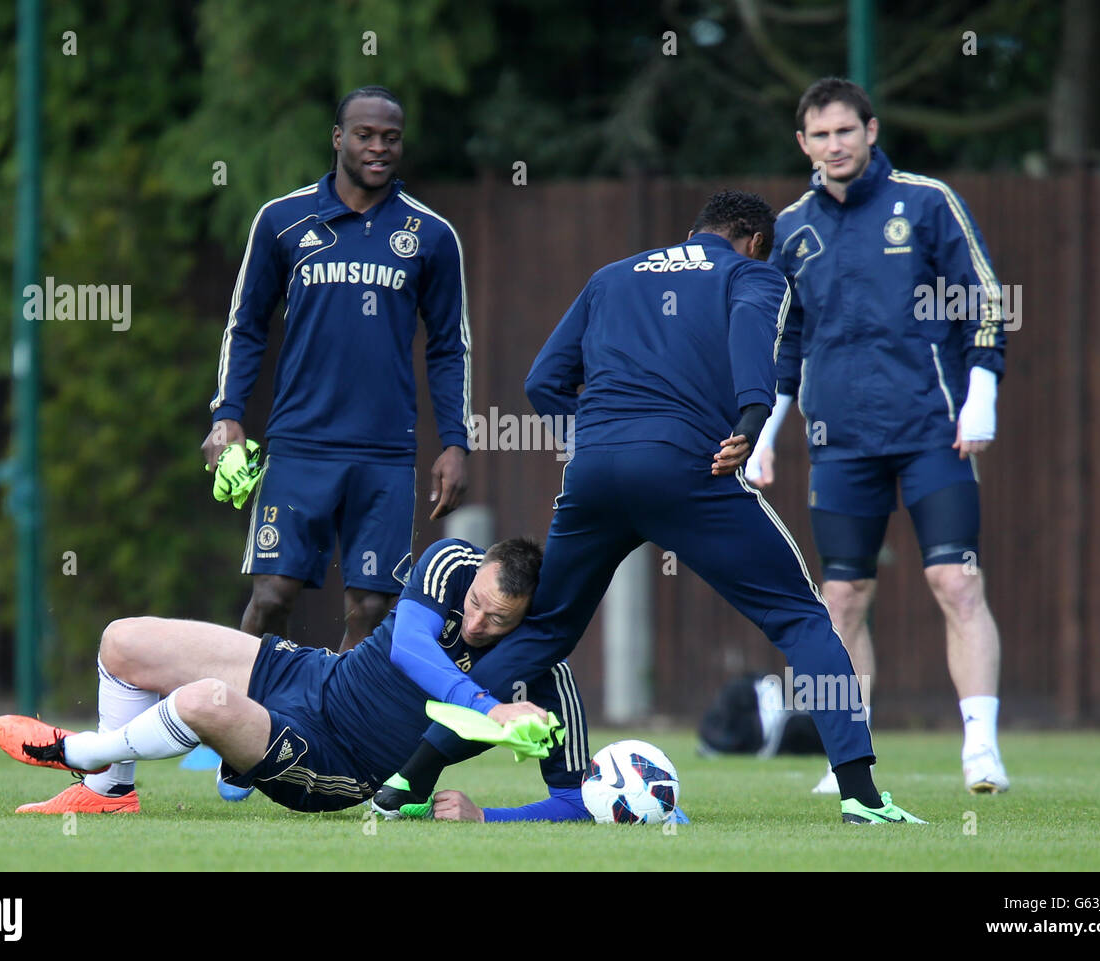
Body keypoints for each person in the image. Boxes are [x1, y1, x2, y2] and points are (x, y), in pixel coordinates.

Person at [373, 190, 925, 826]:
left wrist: (596, 437)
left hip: (595, 475)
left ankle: (407, 783)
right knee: (802, 619)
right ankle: (861, 797)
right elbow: (754, 342)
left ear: (694, 232)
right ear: (754, 239)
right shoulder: (751, 272)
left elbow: (542, 381)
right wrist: (750, 417)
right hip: (689, 468)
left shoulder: (613, 275)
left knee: (546, 632)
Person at [744, 77, 1009, 795]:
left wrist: (980, 391)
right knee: (841, 601)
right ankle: (849, 756)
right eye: (820, 134)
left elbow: (982, 301)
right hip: (840, 441)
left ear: (871, 130)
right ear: (803, 143)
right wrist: (763, 432)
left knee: (955, 580)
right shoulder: (792, 229)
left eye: (845, 131)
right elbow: (782, 344)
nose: (834, 144)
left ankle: (980, 748)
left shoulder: (925, 203)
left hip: (933, 430)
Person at [0, 538, 591, 824]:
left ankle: (75, 752)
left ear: (529, 618)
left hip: (337, 763)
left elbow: (575, 802)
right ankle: (108, 792)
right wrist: (485, 708)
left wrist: (490, 818)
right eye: (478, 603)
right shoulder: (452, 564)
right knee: (123, 640)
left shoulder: (543, 677)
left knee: (203, 702)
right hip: (314, 675)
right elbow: (409, 645)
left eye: (499, 619)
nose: (479, 621)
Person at [201, 85, 472, 654]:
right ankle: (231, 732)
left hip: (385, 451)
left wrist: (455, 442)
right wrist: (227, 415)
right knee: (273, 595)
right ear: (338, 139)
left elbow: (450, 346)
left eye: (391, 138)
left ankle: (334, 738)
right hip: (301, 444)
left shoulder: (432, 235)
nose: (378, 148)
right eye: (365, 135)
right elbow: (245, 326)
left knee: (372, 611)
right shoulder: (283, 220)